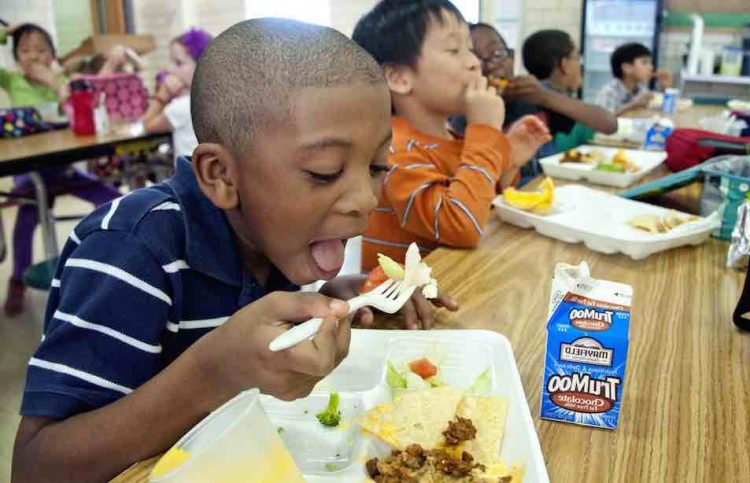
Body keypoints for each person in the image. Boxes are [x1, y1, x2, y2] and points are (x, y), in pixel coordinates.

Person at [12, 18, 456, 482]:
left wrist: (339, 301)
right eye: (325, 171)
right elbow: (35, 466)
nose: (366, 199)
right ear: (222, 175)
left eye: (377, 167)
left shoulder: (268, 238)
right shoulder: (130, 250)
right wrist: (214, 373)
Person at [353, 0, 552, 272]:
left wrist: (509, 161)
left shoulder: (452, 137)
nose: (474, 63)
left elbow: (482, 206)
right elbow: (461, 224)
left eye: (469, 49)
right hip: (403, 296)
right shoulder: (394, 149)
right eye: (454, 50)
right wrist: (486, 133)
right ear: (399, 77)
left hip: (459, 280)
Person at [0, 23, 120, 316]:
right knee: (25, 223)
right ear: (16, 57)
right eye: (25, 50)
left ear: (53, 56)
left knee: (114, 200)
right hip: (31, 175)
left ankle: (113, 262)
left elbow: (81, 115)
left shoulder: (63, 82)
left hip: (64, 171)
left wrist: (56, 84)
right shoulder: (12, 81)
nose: (34, 56)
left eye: (41, 50)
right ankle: (17, 279)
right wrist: (7, 32)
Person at [451, 22, 617, 137]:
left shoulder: (532, 98)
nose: (490, 66)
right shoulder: (461, 115)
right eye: (476, 58)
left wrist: (544, 97)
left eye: (497, 53)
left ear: (512, 57)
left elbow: (609, 124)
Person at [522, 29, 616, 155]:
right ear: (564, 64)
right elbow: (609, 124)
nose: (580, 66)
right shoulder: (546, 98)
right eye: (578, 58)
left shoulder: (531, 92)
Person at [143, 28, 212, 159]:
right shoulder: (213, 99)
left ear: (202, 66)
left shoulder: (183, 106)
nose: (169, 69)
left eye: (178, 63)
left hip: (189, 171)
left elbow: (147, 125)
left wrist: (162, 94)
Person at [595, 42, 673, 116]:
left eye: (650, 63)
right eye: (644, 63)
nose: (651, 68)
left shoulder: (640, 88)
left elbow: (654, 106)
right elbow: (603, 119)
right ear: (627, 68)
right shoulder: (609, 92)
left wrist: (665, 87)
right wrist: (634, 104)